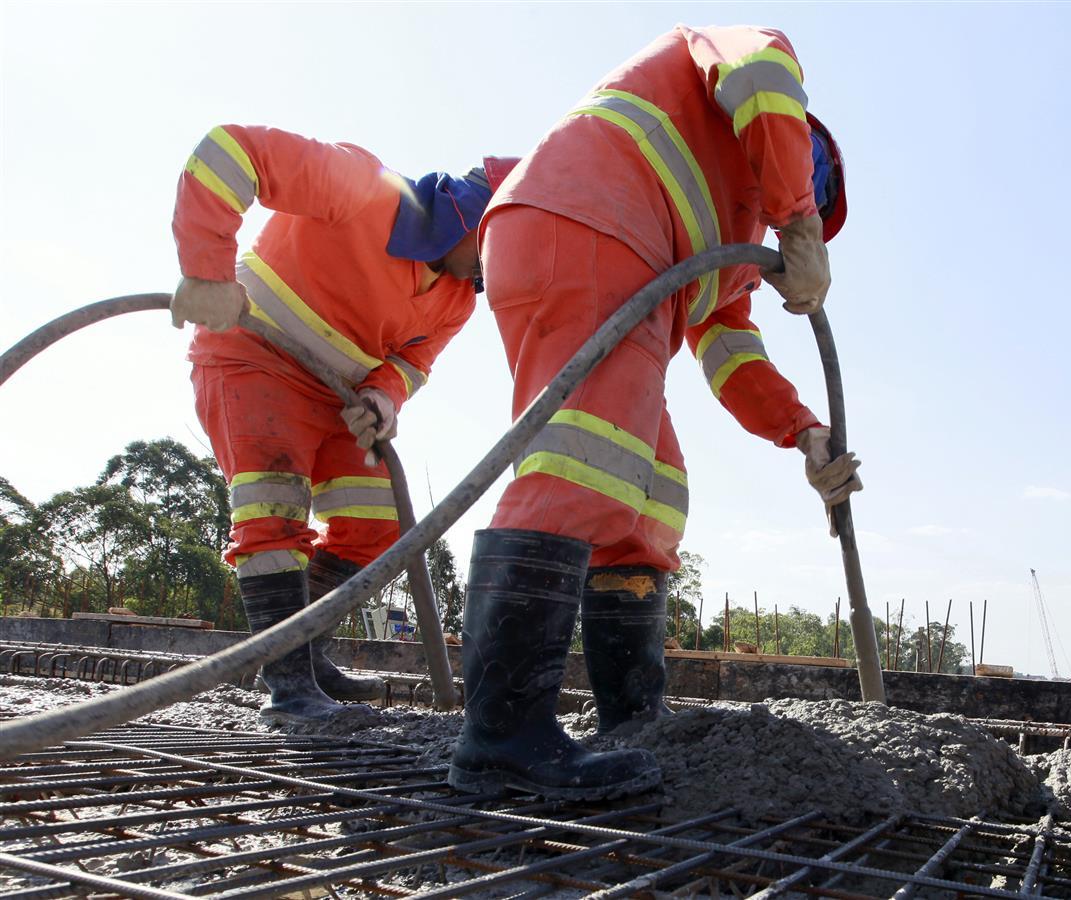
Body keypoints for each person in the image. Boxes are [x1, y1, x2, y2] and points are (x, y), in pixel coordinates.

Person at [448, 25, 859, 800]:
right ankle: (501, 739)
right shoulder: (752, 61)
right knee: (585, 467)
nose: (778, 223)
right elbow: (763, 76)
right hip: (591, 221)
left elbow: (730, 355)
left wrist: (803, 431)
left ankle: (630, 718)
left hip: (594, 244)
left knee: (654, 493)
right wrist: (801, 222)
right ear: (801, 155)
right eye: (803, 189)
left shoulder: (727, 238)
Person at [170, 123, 506, 726]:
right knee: (273, 512)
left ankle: (304, 653)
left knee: (377, 526)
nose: (500, 269)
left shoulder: (458, 299)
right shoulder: (363, 188)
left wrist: (383, 396)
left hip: (337, 400)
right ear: (475, 217)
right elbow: (230, 151)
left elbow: (412, 362)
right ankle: (289, 688)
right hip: (253, 360)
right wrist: (207, 271)